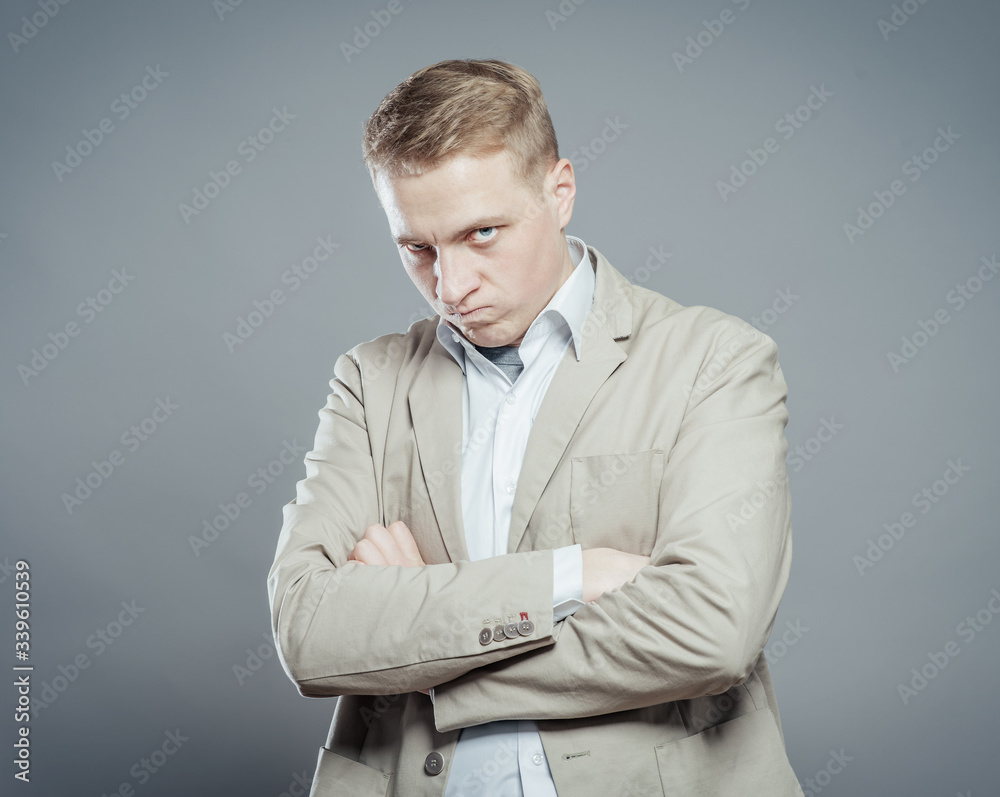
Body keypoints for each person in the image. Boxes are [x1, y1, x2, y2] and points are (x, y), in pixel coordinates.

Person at [267, 58, 803, 797]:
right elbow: (308, 630)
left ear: (561, 191)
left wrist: (423, 630)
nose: (451, 287)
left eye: (482, 232)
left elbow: (712, 630)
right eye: (416, 248)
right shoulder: (369, 380)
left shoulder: (714, 361)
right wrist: (569, 574)